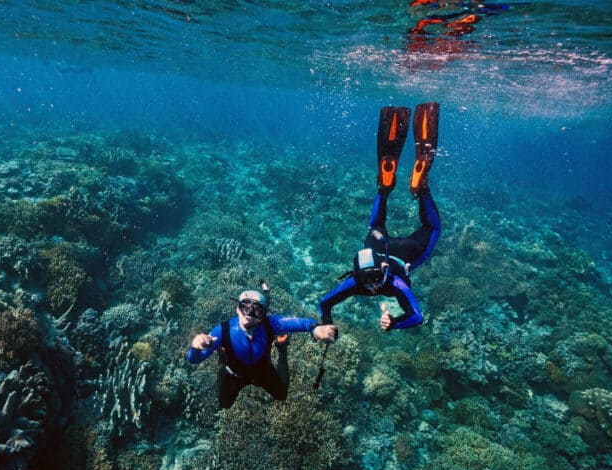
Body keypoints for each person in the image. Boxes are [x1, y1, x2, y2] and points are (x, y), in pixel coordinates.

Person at [318, 102, 442, 331]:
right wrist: (325, 325)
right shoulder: (369, 281)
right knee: (375, 225)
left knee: (433, 230)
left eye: (374, 278)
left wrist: (393, 323)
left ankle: (419, 188)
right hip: (376, 244)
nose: (372, 286)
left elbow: (417, 317)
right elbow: (324, 304)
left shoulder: (388, 282)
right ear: (356, 275)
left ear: (384, 268)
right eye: (366, 280)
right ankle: (387, 189)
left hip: (404, 254)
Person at [187, 285, 336, 409]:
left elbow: (302, 323)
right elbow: (194, 360)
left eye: (257, 310)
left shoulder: (270, 323)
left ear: (263, 314)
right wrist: (195, 347)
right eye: (245, 307)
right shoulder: (222, 331)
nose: (250, 314)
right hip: (234, 374)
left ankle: (282, 349)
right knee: (224, 404)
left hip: (263, 371)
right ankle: (222, 358)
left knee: (281, 395)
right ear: (237, 309)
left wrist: (316, 328)